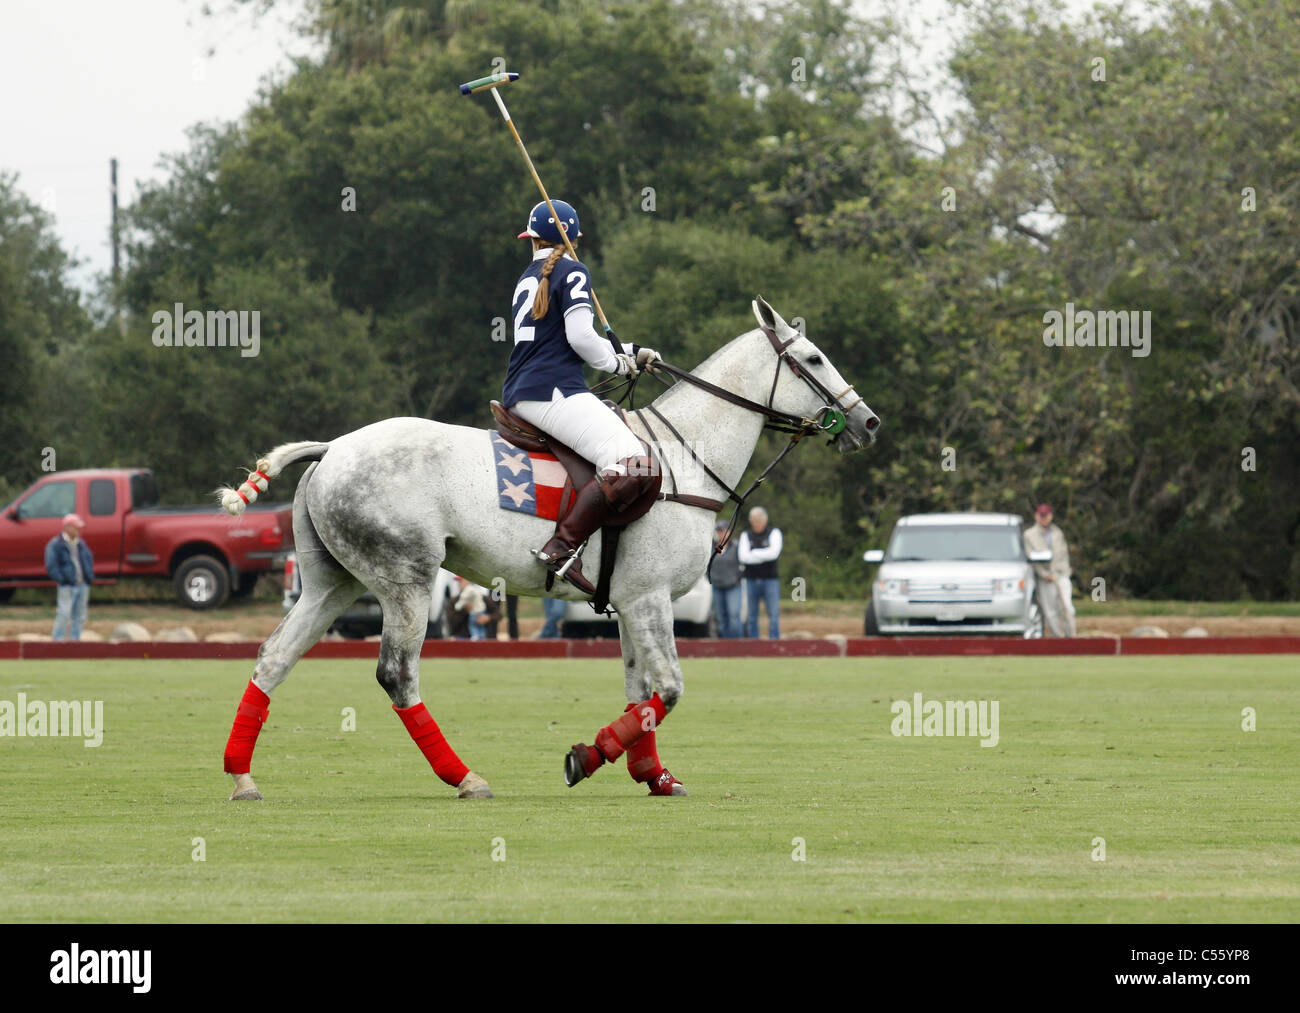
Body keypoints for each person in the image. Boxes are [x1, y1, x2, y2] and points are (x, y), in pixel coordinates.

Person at [503, 199, 662, 595]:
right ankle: (563, 548)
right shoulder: (573, 271)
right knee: (633, 462)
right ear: (572, 238)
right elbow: (580, 338)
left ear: (533, 240)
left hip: (525, 388)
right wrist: (619, 365)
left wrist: (628, 350)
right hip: (553, 390)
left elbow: (562, 340)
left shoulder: (531, 274)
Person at [1023, 504, 1076, 637]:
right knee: (1050, 612)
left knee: (1067, 608)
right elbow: (1031, 558)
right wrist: (1045, 575)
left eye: (1046, 515)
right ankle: (1057, 639)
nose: (1044, 518)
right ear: (1036, 516)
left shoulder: (1058, 533)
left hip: (1061, 575)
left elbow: (1064, 556)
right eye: (1041, 516)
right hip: (1045, 579)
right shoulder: (1029, 535)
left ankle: (1071, 637)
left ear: (1051, 516)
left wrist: (1065, 573)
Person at [45, 513, 93, 641]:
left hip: (82, 584)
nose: (78, 530)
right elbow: (51, 565)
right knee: (64, 614)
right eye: (76, 528)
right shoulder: (56, 544)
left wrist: (88, 577)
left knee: (80, 616)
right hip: (67, 585)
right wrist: (62, 580)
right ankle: (58, 641)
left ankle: (74, 641)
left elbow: (88, 559)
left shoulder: (81, 544)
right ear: (67, 527)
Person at [738, 507, 783, 639]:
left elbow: (773, 554)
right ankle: (753, 643)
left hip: (770, 580)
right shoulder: (745, 535)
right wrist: (764, 553)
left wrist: (754, 553)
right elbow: (743, 557)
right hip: (751, 579)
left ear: (765, 520)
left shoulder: (774, 532)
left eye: (759, 520)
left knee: (773, 614)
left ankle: (774, 641)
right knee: (752, 615)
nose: (756, 523)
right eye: (754, 520)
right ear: (750, 521)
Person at [708, 520, 743, 638]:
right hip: (717, 586)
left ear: (728, 532)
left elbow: (744, 564)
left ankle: (738, 644)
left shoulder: (737, 546)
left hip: (733, 586)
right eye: (719, 531)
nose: (721, 533)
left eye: (723, 531)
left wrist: (737, 578)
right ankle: (725, 646)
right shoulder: (711, 547)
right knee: (721, 618)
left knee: (734, 616)